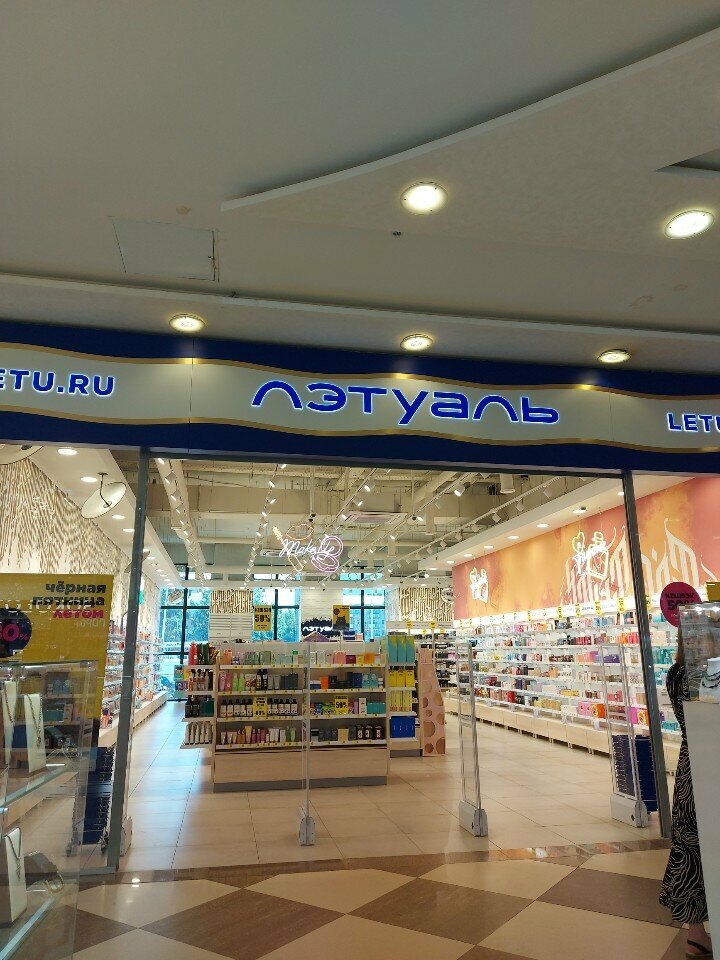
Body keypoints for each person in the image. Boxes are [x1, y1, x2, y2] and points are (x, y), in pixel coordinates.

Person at [660, 633, 712, 958]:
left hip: (690, 764)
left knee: (690, 846)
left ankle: (696, 932)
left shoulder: (675, 672)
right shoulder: (707, 673)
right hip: (711, 764)